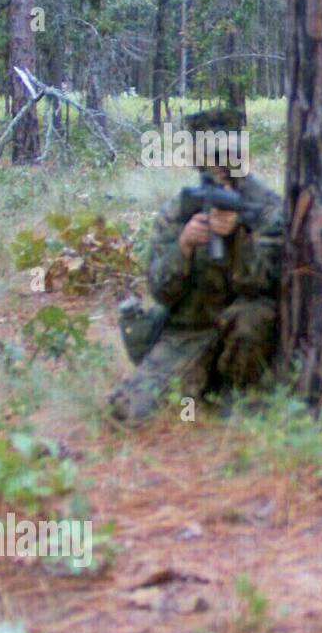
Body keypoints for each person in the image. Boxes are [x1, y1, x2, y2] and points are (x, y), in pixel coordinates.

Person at [109, 108, 285, 424]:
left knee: (252, 316)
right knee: (127, 413)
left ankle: (241, 394)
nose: (217, 163)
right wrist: (184, 246)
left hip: (246, 336)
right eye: (208, 153)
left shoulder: (267, 209)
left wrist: (237, 239)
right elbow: (162, 291)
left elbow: (264, 283)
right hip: (189, 331)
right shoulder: (180, 211)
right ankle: (201, 387)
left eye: (225, 152)